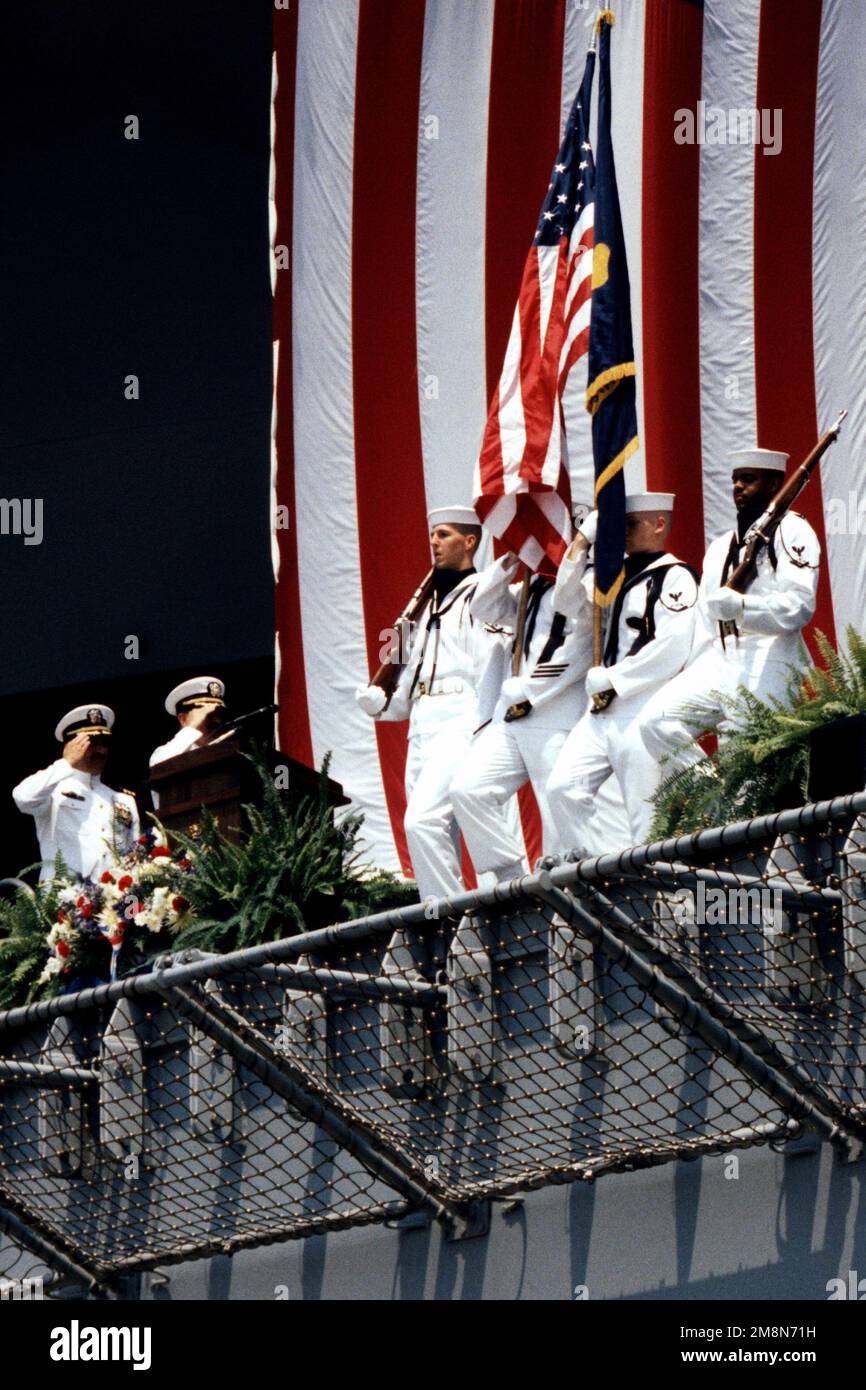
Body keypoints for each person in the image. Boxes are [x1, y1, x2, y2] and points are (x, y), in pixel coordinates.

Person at [355, 505, 523, 902]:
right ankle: (445, 920)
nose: (434, 542)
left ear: (470, 542)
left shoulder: (485, 596)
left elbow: (493, 659)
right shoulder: (422, 609)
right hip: (424, 725)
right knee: (434, 831)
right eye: (433, 534)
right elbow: (410, 682)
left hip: (461, 719)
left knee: (421, 821)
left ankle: (487, 898)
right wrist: (381, 703)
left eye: (444, 534)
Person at [450, 523, 629, 879]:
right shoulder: (530, 587)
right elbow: (483, 606)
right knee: (468, 789)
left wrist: (530, 691)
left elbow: (579, 652)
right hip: (511, 716)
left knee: (556, 809)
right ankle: (509, 876)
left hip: (553, 711)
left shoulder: (590, 585)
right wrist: (513, 556)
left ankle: (576, 891)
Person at [640, 448, 820, 773]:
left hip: (769, 658)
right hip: (720, 658)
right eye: (735, 479)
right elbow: (706, 623)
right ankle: (714, 793)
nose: (737, 486)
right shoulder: (720, 547)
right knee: (656, 722)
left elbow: (800, 606)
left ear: (774, 483)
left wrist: (743, 607)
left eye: (748, 479)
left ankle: (737, 807)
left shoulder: (793, 531)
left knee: (750, 770)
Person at [546, 493, 699, 847]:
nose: (622, 533)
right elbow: (565, 601)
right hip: (600, 711)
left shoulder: (676, 576)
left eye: (631, 524)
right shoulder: (610, 576)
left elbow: (673, 646)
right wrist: (583, 542)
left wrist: (616, 678)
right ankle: (602, 875)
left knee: (646, 816)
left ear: (659, 525)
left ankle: (653, 895)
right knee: (563, 789)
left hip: (641, 704)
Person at [12, 705, 139, 881]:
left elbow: (136, 860)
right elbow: (22, 797)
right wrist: (66, 762)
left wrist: (131, 908)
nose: (101, 750)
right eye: (92, 743)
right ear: (72, 745)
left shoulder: (123, 799)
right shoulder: (52, 790)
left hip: (115, 904)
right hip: (64, 901)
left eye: (105, 743)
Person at [150, 677, 227, 768]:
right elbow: (159, 766)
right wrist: (192, 726)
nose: (216, 720)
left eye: (217, 714)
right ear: (183, 719)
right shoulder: (165, 752)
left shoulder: (228, 749)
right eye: (208, 716)